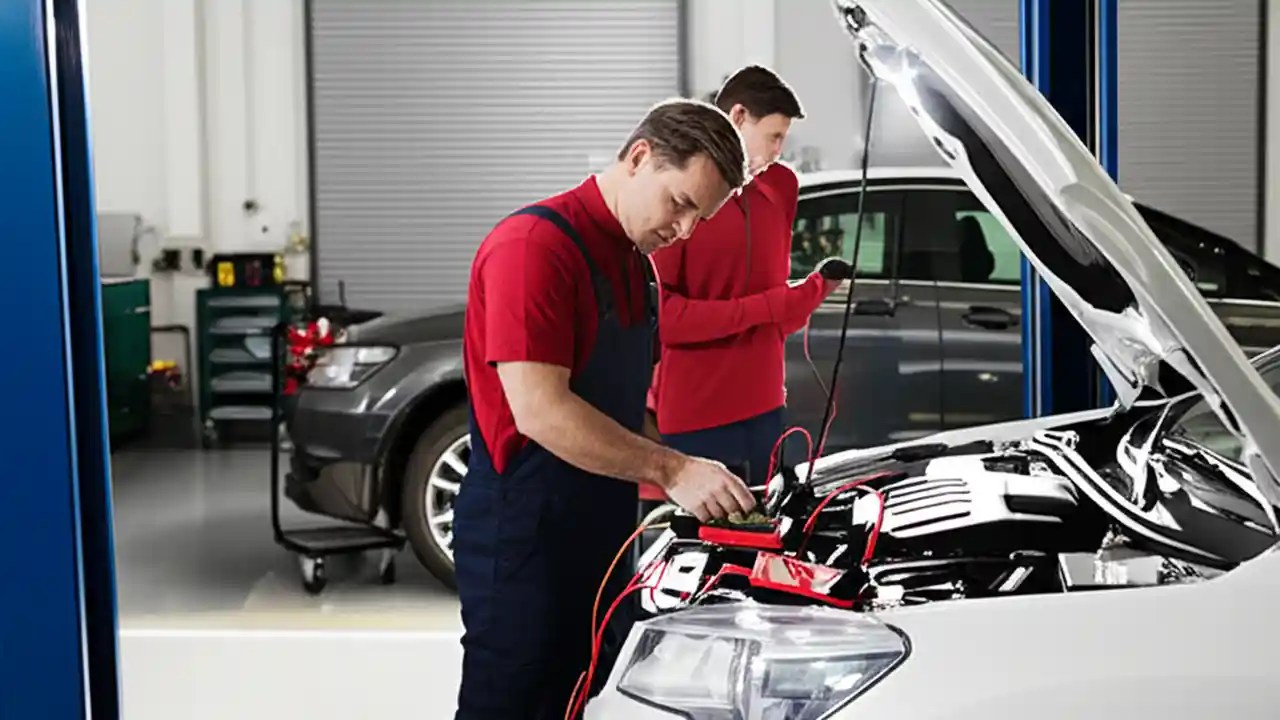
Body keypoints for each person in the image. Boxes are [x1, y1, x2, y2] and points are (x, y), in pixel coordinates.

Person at [454, 97, 758, 720]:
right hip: (526, 536)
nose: (685, 232)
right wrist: (673, 472)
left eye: (700, 219)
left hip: (602, 530)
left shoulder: (633, 264)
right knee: (514, 704)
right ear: (640, 157)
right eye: (680, 205)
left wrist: (705, 482)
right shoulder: (535, 247)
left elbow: (620, 412)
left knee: (583, 697)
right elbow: (541, 411)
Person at [649, 65, 853, 489]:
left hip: (764, 407)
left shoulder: (781, 187)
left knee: (766, 538)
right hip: (697, 413)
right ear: (738, 117)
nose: (779, 151)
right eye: (773, 136)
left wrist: (813, 291)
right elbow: (667, 320)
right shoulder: (681, 192)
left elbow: (778, 313)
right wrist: (771, 306)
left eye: (784, 139)